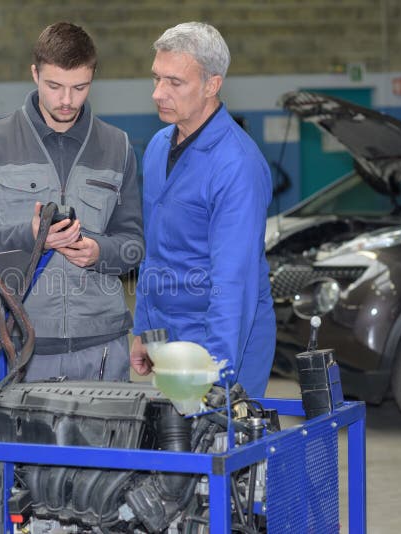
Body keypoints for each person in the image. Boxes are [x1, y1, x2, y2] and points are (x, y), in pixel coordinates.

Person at [0, 22, 143, 382]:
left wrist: (98, 252)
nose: (67, 100)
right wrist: (29, 235)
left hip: (103, 346)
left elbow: (133, 244)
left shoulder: (117, 146)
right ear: (35, 73)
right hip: (27, 345)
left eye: (80, 87)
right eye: (54, 86)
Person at [129, 22, 275, 397]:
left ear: (212, 85)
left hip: (220, 343)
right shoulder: (160, 147)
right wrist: (145, 331)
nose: (158, 93)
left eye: (174, 82)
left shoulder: (236, 165)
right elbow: (154, 255)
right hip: (169, 338)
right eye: (157, 78)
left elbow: (234, 284)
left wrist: (216, 373)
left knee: (219, 452)